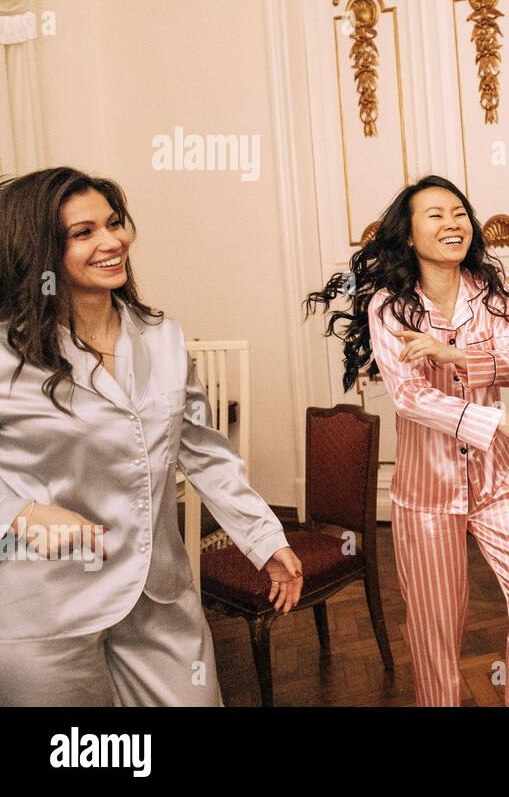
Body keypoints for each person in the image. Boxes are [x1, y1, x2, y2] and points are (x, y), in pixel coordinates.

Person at [0, 167, 302, 707]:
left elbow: (204, 450)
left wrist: (265, 539)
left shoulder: (163, 336)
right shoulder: (7, 353)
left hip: (157, 592)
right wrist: (21, 515)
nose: (112, 241)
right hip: (44, 605)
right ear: (39, 251)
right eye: (83, 232)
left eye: (114, 224)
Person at [305, 174, 509, 706]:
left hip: (495, 483)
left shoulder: (488, 293)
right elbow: (411, 399)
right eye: (436, 215)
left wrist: (458, 355)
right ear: (409, 234)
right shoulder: (389, 309)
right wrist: (496, 424)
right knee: (436, 631)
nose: (453, 223)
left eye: (459, 212)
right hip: (427, 496)